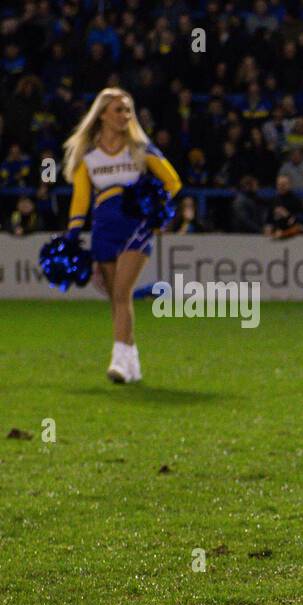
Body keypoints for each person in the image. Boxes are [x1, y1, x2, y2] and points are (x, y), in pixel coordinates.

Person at [62, 87, 181, 384]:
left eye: (129, 110)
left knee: (121, 291)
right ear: (102, 114)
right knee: (116, 298)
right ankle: (132, 362)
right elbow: (80, 198)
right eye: (119, 110)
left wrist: (151, 204)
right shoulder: (88, 156)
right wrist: (73, 233)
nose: (125, 116)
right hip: (103, 228)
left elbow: (173, 181)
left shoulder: (141, 148)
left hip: (135, 227)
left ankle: (117, 360)